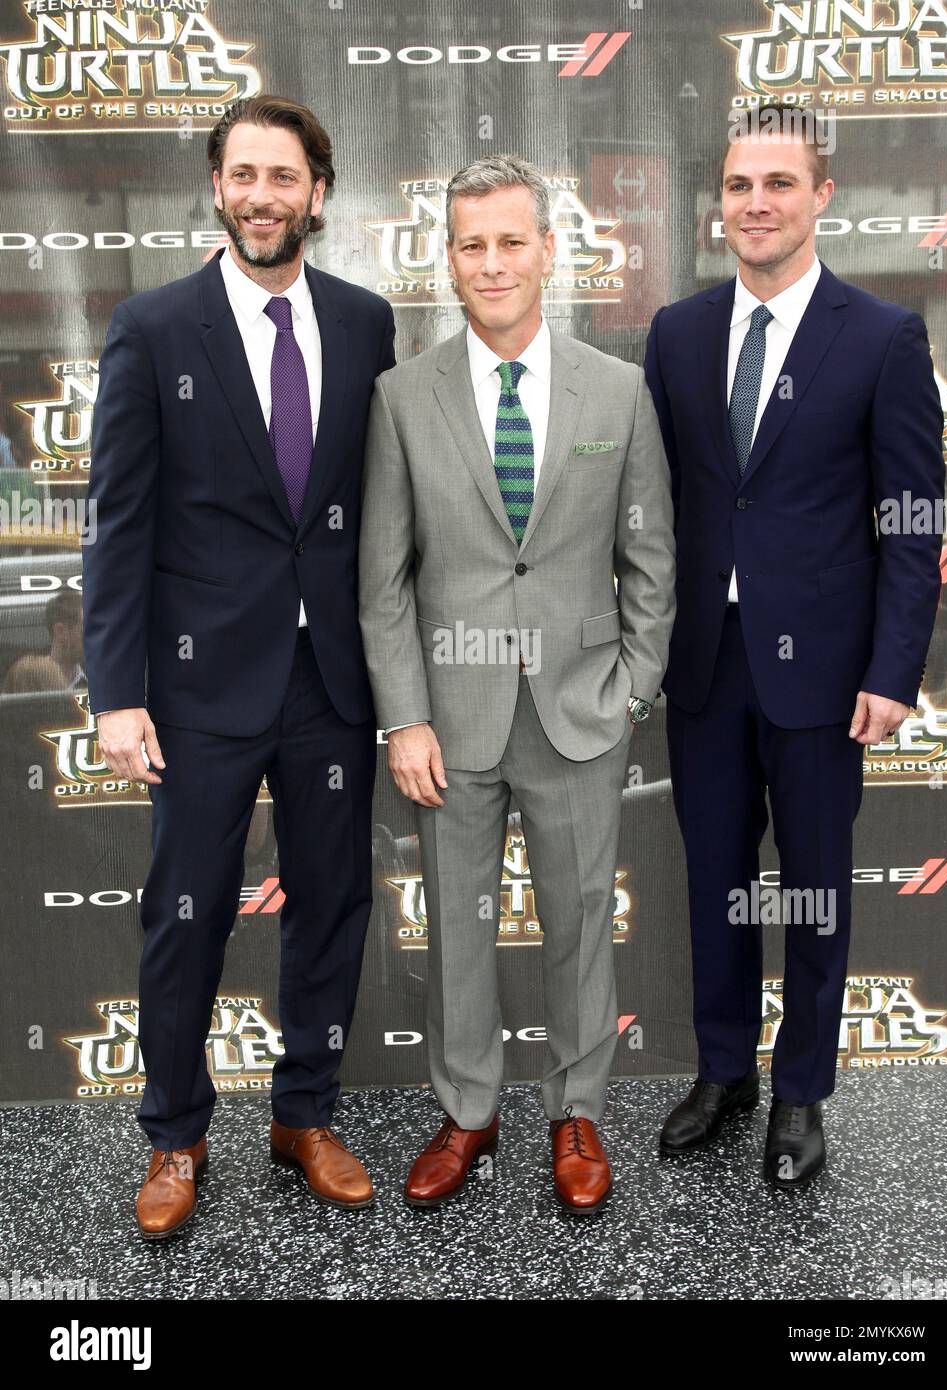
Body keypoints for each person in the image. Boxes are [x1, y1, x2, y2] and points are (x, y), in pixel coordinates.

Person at [82, 95, 395, 1238]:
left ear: (319, 192)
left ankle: (303, 1113)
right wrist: (115, 689)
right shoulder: (154, 328)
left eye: (285, 176)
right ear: (217, 188)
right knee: (187, 913)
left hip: (331, 681)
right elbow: (119, 526)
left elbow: (374, 512)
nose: (263, 195)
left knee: (331, 907)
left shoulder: (366, 324)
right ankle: (175, 1133)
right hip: (197, 685)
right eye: (243, 175)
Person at [359, 155, 675, 1214]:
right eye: (470, 244)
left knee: (582, 914)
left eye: (510, 240)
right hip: (450, 718)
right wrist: (404, 715)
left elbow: (652, 561)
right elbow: (385, 581)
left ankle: (576, 1108)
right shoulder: (403, 397)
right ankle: (468, 1111)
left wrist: (632, 690)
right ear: (447, 261)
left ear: (548, 250)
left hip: (582, 710)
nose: (491, 263)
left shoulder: (617, 390)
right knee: (458, 921)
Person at [644, 104, 944, 1188]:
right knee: (715, 878)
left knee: (813, 885)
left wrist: (894, 668)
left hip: (824, 673)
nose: (755, 203)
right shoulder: (676, 334)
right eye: (737, 185)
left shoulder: (881, 336)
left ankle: (801, 1089)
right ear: (716, 201)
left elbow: (912, 518)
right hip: (704, 665)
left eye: (778, 182)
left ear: (822, 195)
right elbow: (659, 502)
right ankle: (723, 1071)